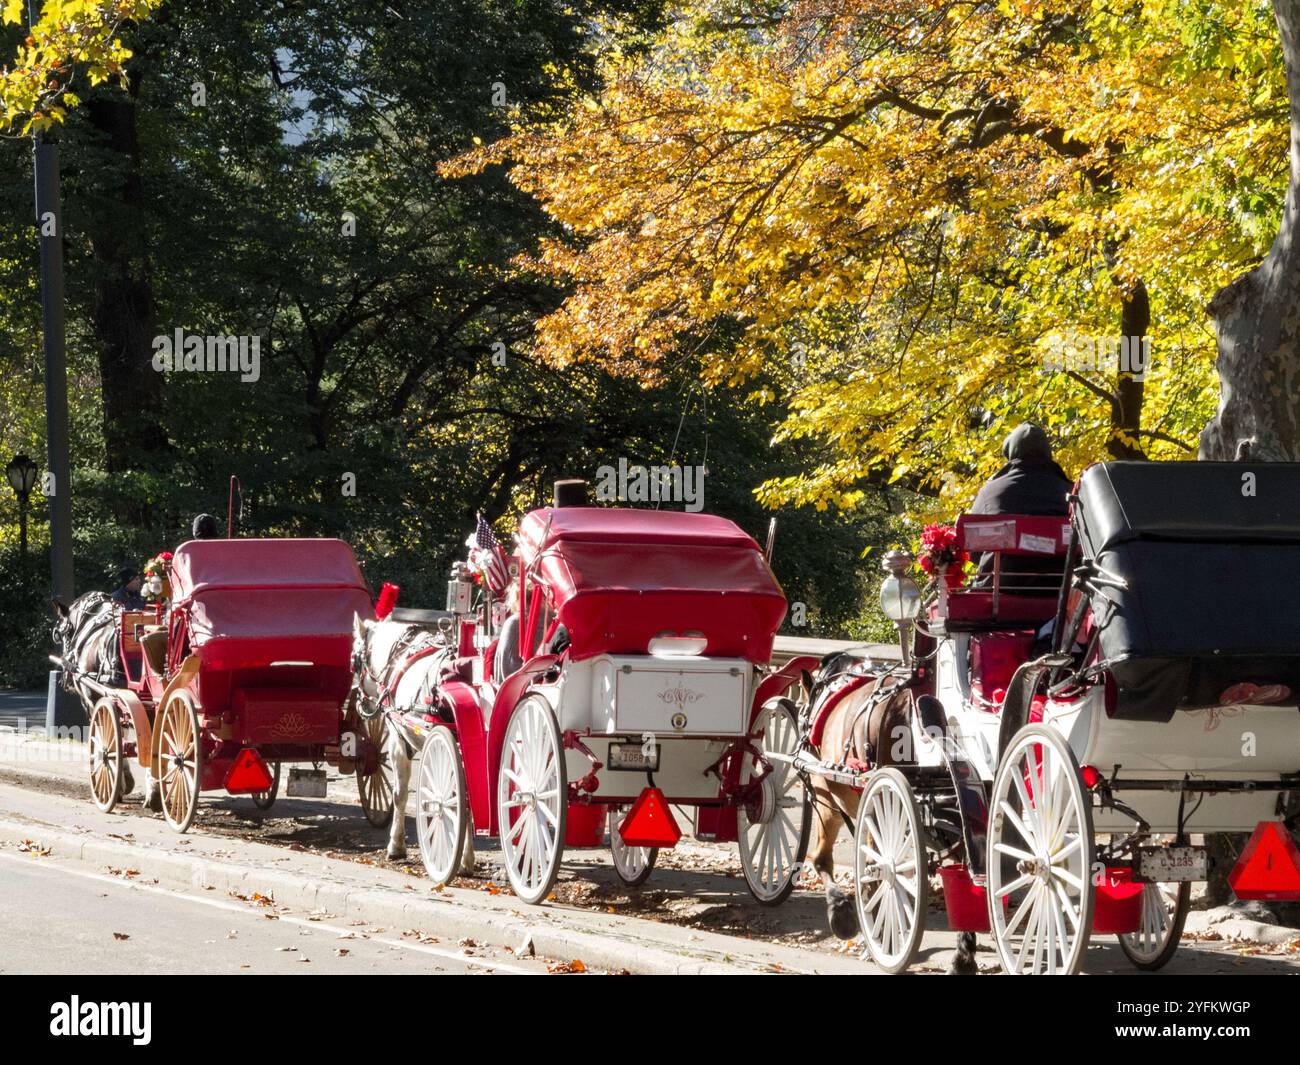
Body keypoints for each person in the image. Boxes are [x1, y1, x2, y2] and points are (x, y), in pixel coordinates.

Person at [970, 422, 1072, 591]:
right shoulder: (1072, 492)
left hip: (1000, 589)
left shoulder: (990, 491)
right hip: (1061, 589)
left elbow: (974, 553)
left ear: (1011, 452)